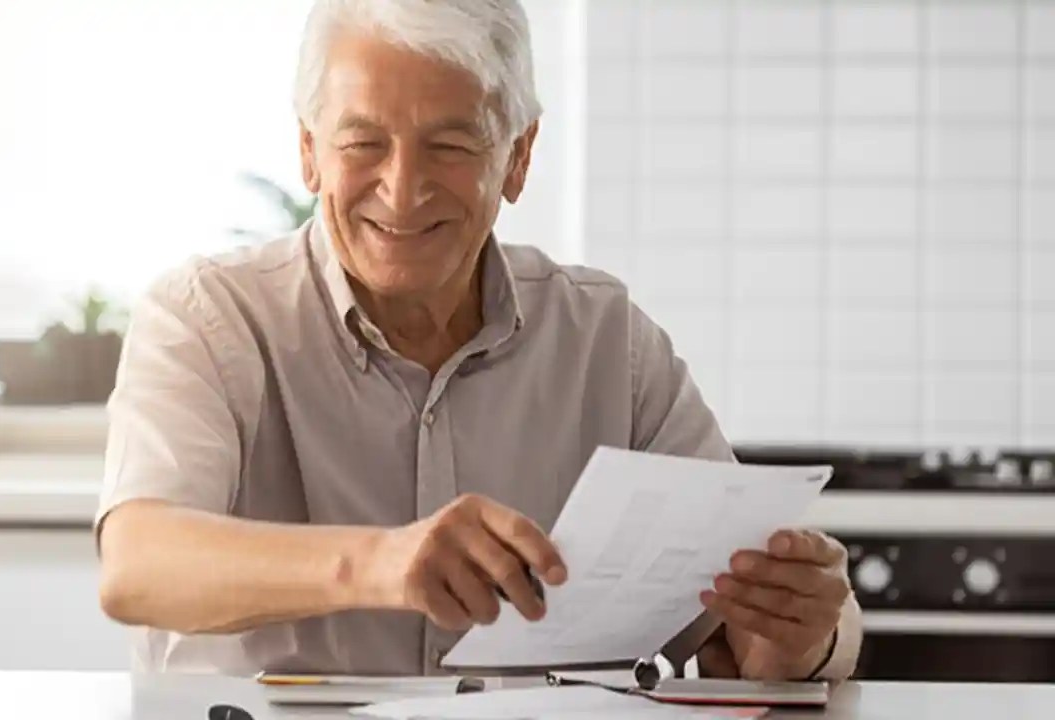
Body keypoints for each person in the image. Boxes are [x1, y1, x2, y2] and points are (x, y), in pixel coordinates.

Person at [95, 0, 861, 680]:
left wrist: (799, 638)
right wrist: (380, 561)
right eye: (363, 142)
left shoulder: (608, 341)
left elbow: (748, 634)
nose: (402, 189)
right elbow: (138, 566)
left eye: (451, 146)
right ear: (309, 152)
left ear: (518, 158)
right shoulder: (206, 316)